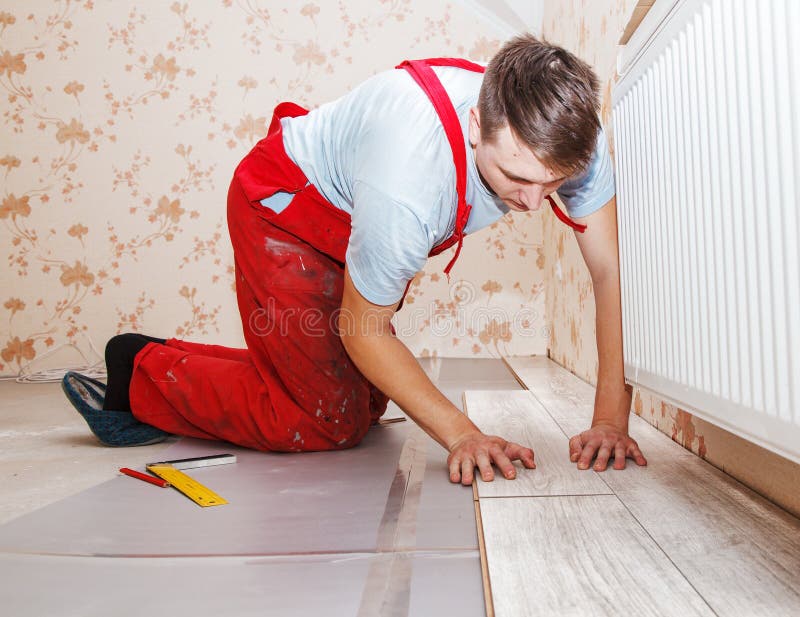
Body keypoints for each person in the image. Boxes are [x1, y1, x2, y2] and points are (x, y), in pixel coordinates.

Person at [62, 34, 647, 485]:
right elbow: (363, 330)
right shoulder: (409, 187)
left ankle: (170, 359)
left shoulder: (568, 140)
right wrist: (463, 434)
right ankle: (136, 375)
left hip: (357, 213)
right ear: (476, 125)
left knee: (368, 403)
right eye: (517, 179)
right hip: (285, 212)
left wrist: (608, 422)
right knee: (324, 421)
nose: (533, 202)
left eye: (555, 185)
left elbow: (609, 272)